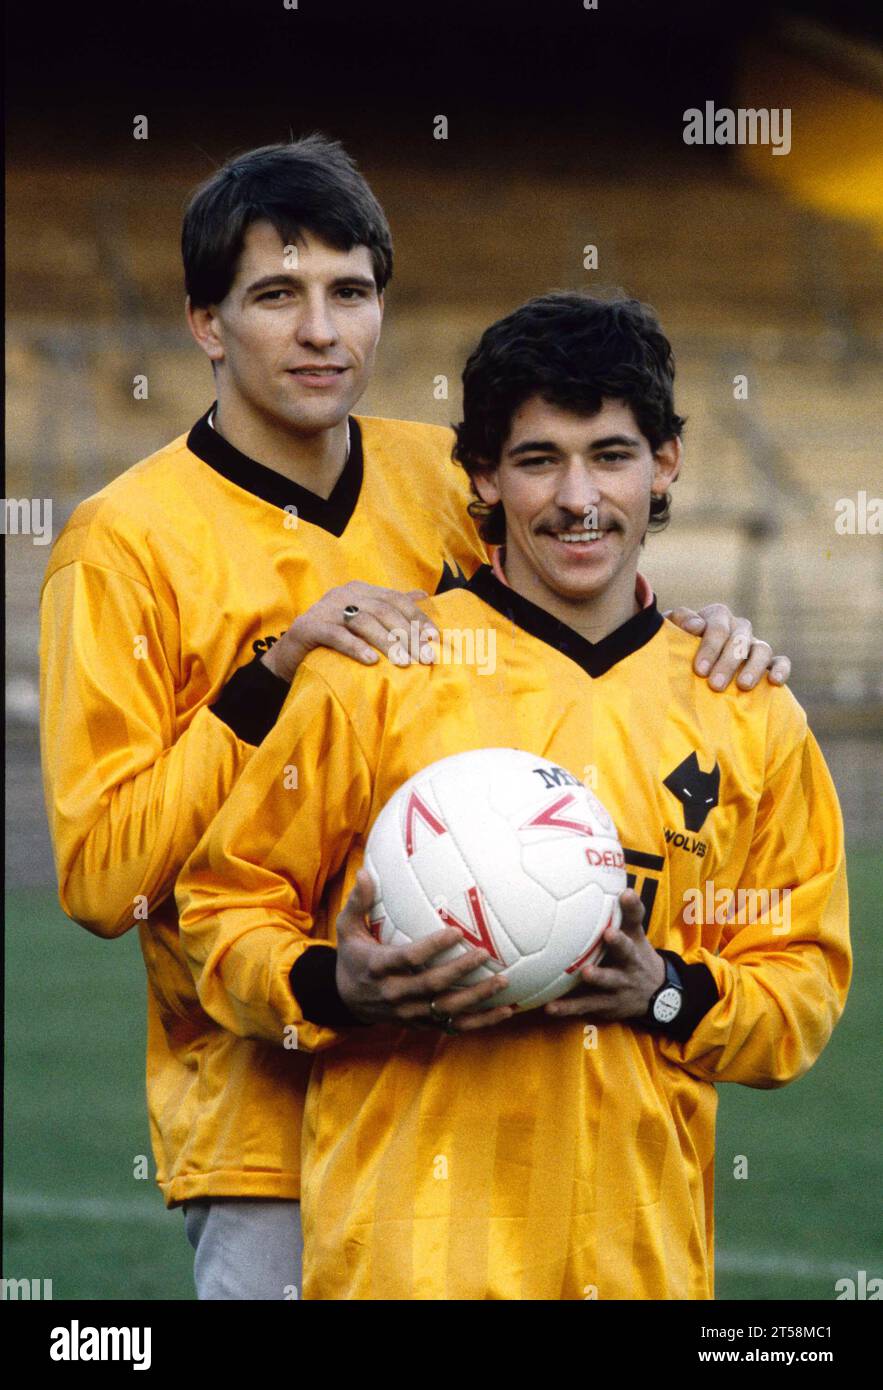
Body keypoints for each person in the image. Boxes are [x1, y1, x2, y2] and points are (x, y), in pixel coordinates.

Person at [40, 137, 791, 1302]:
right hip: (259, 1099)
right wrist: (274, 669)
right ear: (205, 324)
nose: (321, 331)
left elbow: (570, 603)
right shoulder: (122, 544)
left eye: (350, 292)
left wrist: (689, 635)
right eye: (276, 296)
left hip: (476, 1088)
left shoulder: (439, 479)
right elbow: (100, 880)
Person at [176, 292, 851, 1301]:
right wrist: (335, 988)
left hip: (639, 1270)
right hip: (403, 1265)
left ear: (664, 463)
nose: (578, 497)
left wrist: (663, 988)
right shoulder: (377, 676)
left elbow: (800, 981)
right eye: (538, 460)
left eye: (610, 454)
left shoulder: (745, 711)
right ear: (484, 476)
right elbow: (218, 910)